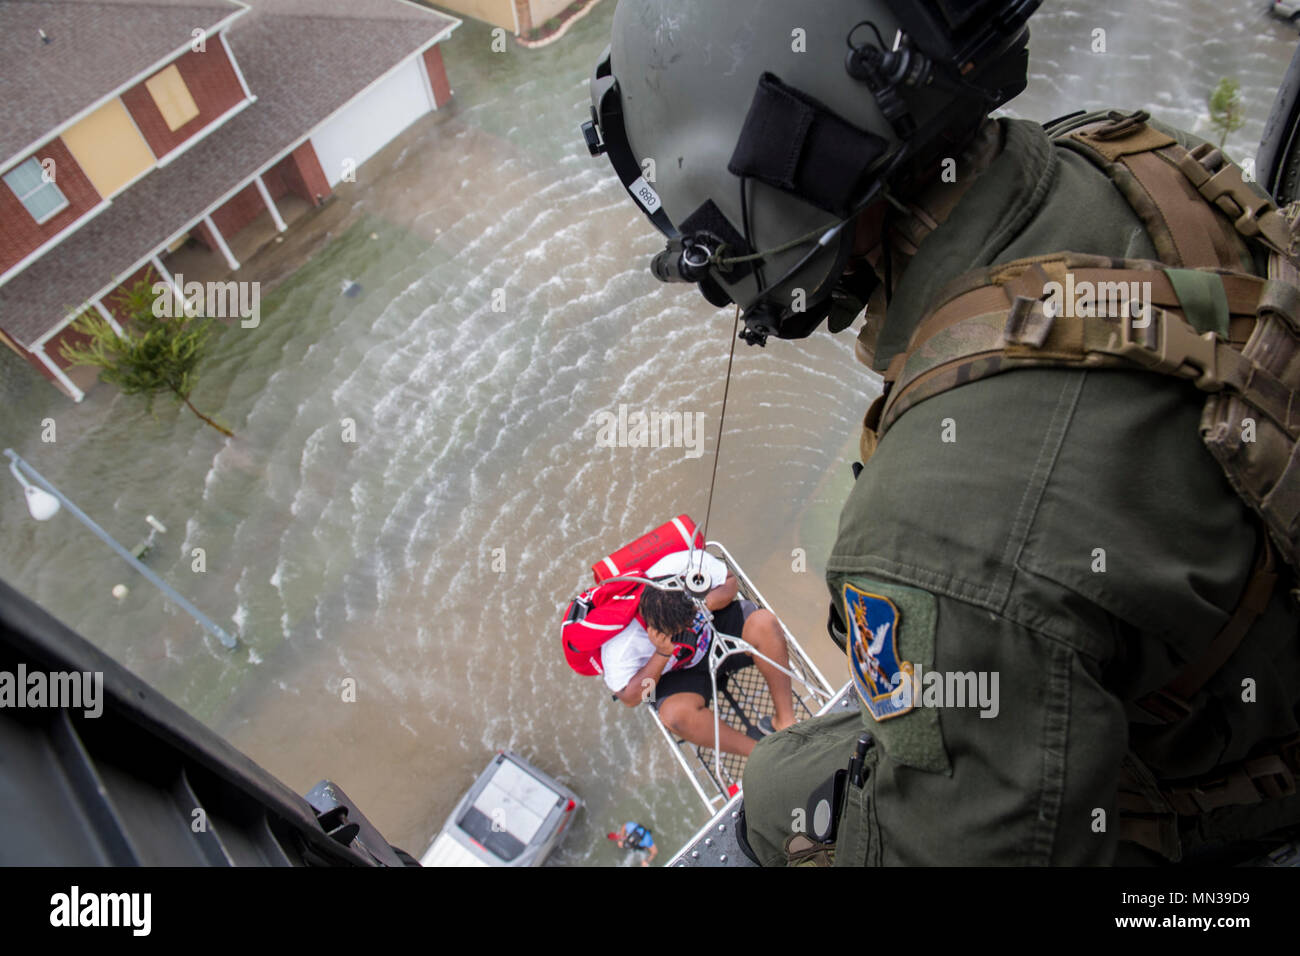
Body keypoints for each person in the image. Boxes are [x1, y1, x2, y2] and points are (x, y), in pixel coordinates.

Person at [583, 0, 1300, 865]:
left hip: (1238, 822)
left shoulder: (938, 530)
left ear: (753, 172)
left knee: (781, 795)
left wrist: (776, 795)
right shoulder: (1119, 153)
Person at [600, 548, 798, 756]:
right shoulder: (620, 645)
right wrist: (662, 653)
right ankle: (761, 755)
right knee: (675, 716)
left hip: (715, 631)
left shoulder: (688, 565)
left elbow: (729, 581)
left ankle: (785, 720)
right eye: (678, 632)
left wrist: (704, 605)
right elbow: (629, 698)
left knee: (764, 623)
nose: (687, 631)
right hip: (676, 672)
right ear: (653, 630)